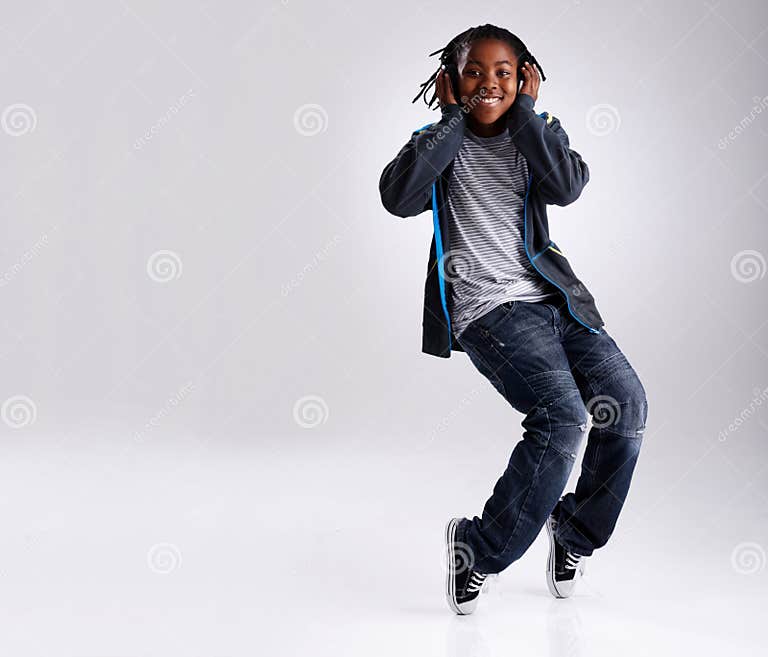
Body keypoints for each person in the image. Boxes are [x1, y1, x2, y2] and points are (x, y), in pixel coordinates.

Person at [378, 24, 648, 615]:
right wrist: (451, 120)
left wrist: (526, 113)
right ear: (452, 78)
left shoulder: (540, 134)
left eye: (504, 72)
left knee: (626, 406)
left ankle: (573, 534)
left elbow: (568, 186)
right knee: (561, 418)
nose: (489, 83)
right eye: (474, 71)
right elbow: (397, 197)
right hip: (489, 310)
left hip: (555, 302)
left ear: (524, 77)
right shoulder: (436, 140)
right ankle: (476, 549)